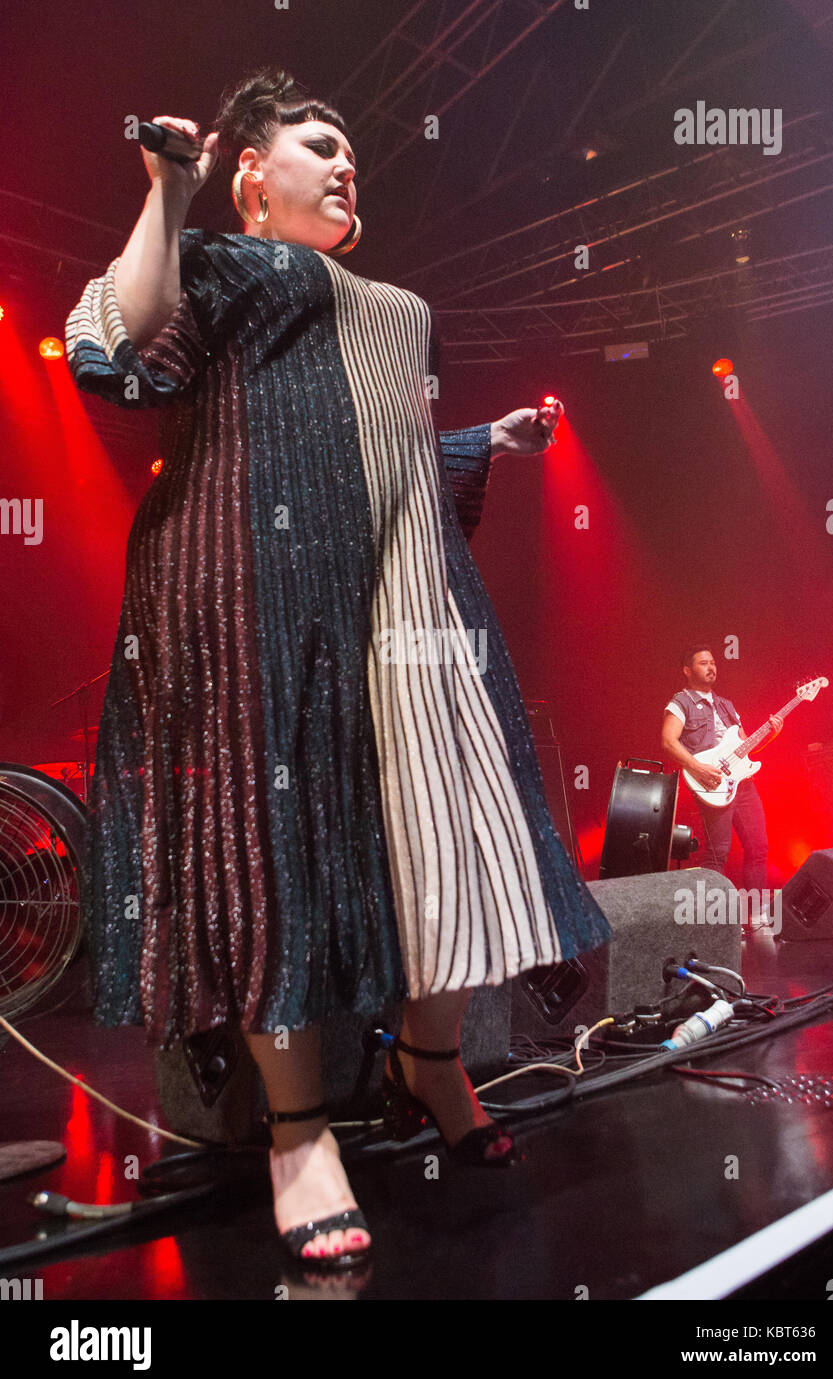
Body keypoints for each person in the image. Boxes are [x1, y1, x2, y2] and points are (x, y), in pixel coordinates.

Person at [64, 68, 611, 1271]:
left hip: (402, 604)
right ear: (252, 175)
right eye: (319, 144)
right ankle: (298, 1133)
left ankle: (429, 1061)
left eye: (352, 147)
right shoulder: (217, 262)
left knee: (453, 835)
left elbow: (382, 445)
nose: (345, 160)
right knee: (283, 858)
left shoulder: (401, 306)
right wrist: (170, 188)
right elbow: (117, 349)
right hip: (253, 594)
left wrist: (483, 442)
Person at [661, 645, 782, 920]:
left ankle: (758, 916)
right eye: (703, 663)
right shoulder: (681, 702)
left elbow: (746, 748)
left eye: (713, 662)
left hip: (742, 782)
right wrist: (697, 767)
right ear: (687, 670)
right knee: (719, 853)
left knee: (758, 846)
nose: (711, 666)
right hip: (711, 782)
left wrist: (772, 735)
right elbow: (668, 741)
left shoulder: (726, 705)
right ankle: (713, 922)